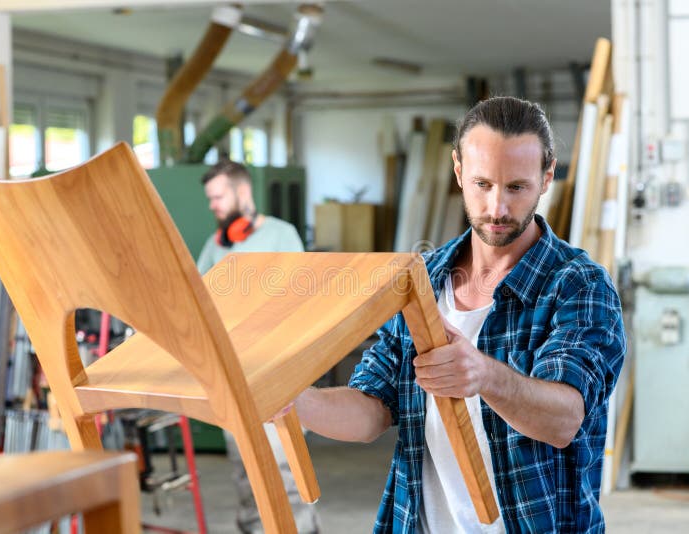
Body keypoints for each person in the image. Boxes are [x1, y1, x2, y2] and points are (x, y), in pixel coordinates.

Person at [293, 96, 626, 533]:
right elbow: (372, 411)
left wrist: (484, 375)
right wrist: (294, 400)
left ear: (547, 176)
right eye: (482, 184)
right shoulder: (421, 283)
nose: (497, 209)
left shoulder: (578, 285)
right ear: (457, 172)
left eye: (516, 187)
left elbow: (562, 421)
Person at [196, 160, 318, 534]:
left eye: (218, 197)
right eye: (210, 199)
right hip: (236, 376)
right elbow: (200, 298)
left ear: (242, 192)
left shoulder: (283, 236)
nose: (213, 206)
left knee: (286, 472)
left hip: (278, 374)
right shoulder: (216, 246)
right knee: (246, 470)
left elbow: (301, 300)